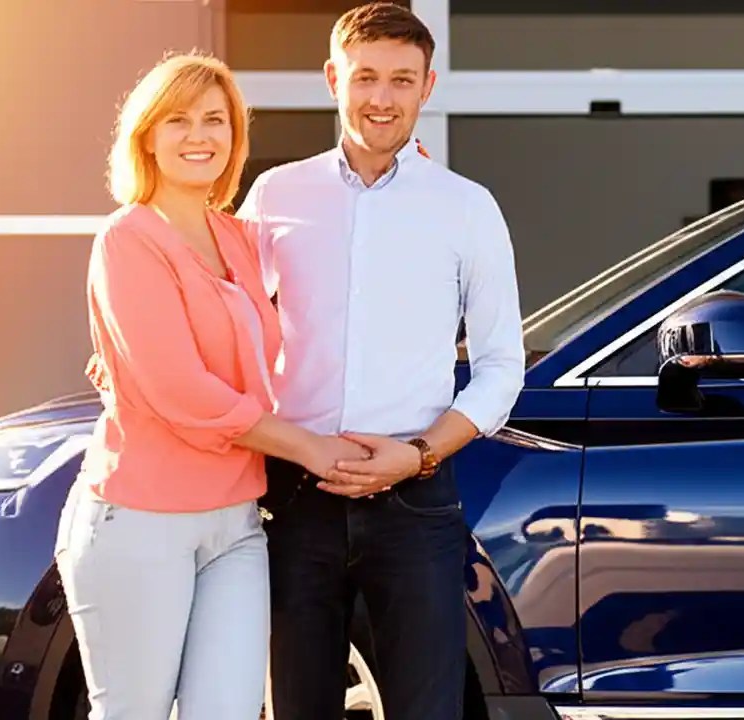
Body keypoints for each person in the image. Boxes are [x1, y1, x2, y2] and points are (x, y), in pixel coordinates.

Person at [54, 53, 368, 720]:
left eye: (214, 120)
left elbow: (324, 244)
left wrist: (394, 177)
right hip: (140, 522)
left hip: (235, 526)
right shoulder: (127, 238)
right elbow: (182, 391)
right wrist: (304, 446)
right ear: (147, 136)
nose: (199, 135)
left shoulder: (237, 235)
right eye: (178, 120)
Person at [236, 3, 526, 719]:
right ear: (333, 78)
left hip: (415, 506)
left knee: (426, 709)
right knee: (299, 706)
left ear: (428, 86)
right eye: (365, 77)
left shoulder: (467, 207)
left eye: (402, 80)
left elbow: (499, 367)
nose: (381, 98)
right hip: (295, 500)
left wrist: (419, 454)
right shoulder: (276, 196)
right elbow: (227, 323)